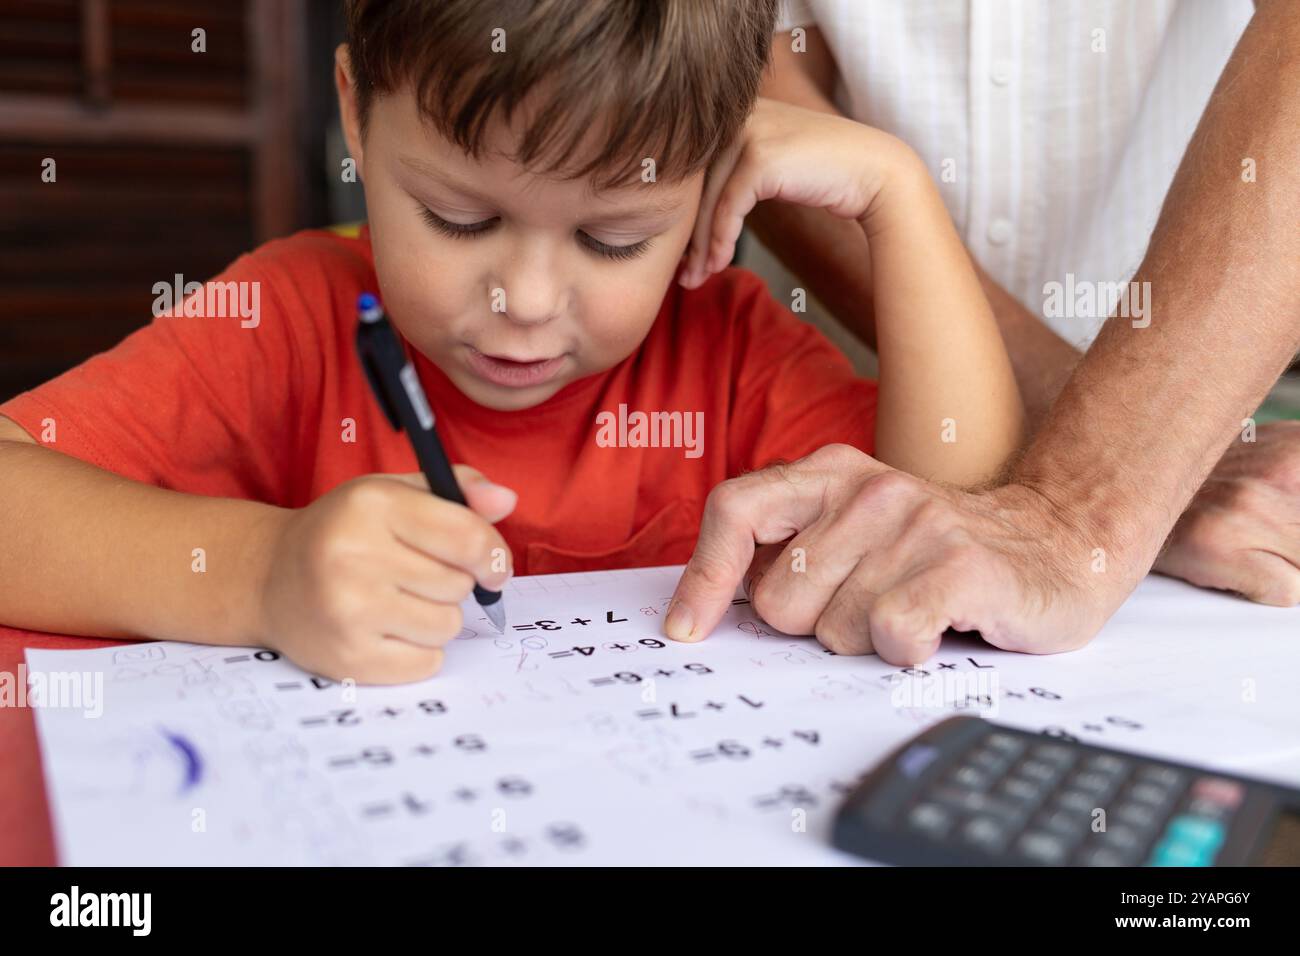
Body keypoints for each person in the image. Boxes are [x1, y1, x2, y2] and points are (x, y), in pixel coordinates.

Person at [0, 0, 1022, 682]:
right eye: (457, 217)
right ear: (355, 115)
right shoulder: (290, 317)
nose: (525, 300)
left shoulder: (730, 352)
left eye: (612, 236)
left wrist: (897, 197)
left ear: (713, 181)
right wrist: (261, 575)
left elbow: (954, 521)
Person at [664, 0, 1300, 663]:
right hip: (869, 403)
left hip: (1189, 420)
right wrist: (1115, 482)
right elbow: (755, 93)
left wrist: (1109, 490)